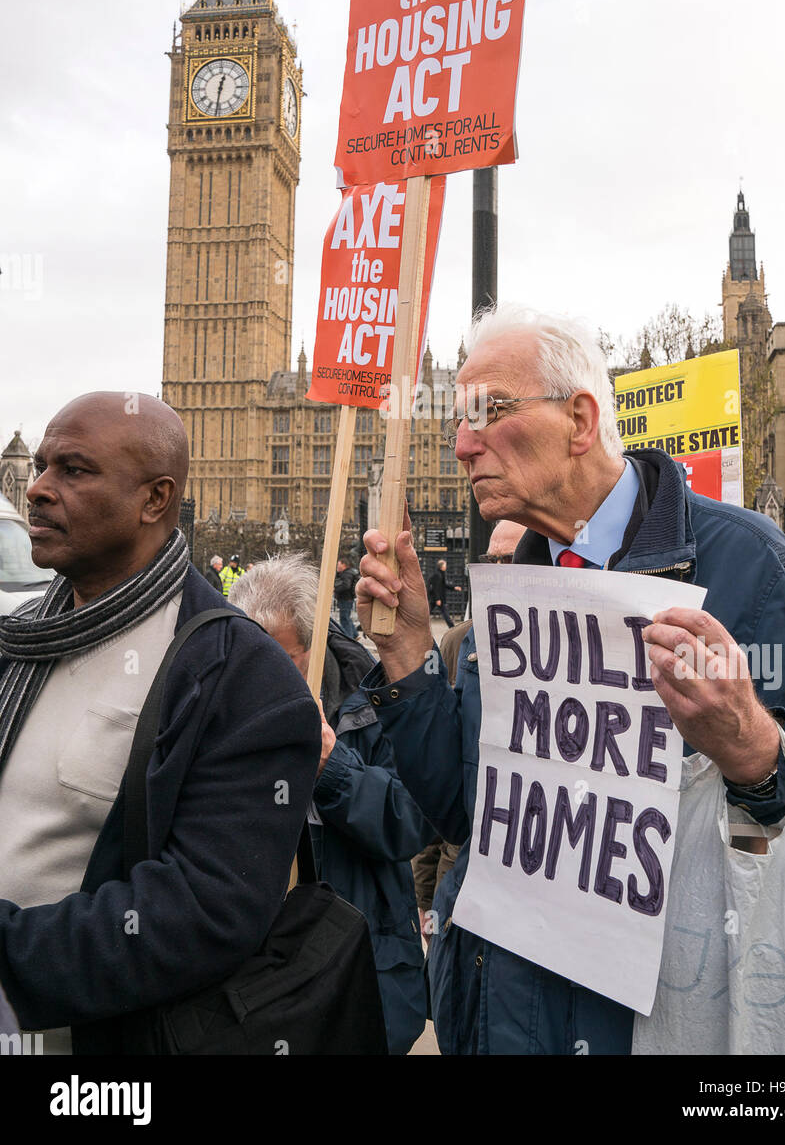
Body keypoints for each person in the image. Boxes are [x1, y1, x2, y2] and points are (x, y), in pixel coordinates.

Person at [357, 304, 785, 1056]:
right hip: (507, 1016)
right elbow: (467, 815)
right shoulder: (511, 593)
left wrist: (752, 749)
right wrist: (406, 662)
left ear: (580, 419)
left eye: (487, 412)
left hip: (657, 1020)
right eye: (457, 421)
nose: (462, 445)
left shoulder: (742, 562)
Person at [0, 392, 320, 1053]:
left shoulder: (243, 679)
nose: (37, 490)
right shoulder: (20, 638)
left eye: (74, 471)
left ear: (155, 499)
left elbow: (203, 913)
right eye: (41, 466)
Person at [229, 552, 433, 1056]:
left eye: (279, 658)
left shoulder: (374, 704)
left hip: (360, 970)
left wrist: (330, 766)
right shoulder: (222, 702)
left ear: (314, 643)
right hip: (257, 981)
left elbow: (412, 820)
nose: (262, 675)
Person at [415, 519, 526, 938]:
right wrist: (426, 896)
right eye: (491, 560)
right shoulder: (459, 645)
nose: (497, 571)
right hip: (460, 871)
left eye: (511, 559)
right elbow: (432, 778)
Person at [427, 558, 460, 630]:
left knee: (429, 612)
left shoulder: (441, 574)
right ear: (441, 566)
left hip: (437, 598)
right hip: (437, 598)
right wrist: (437, 599)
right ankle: (452, 628)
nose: (446, 566)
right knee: (444, 613)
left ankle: (452, 627)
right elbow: (436, 588)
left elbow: (444, 585)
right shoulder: (438, 575)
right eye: (445, 565)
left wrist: (454, 588)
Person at [334, 557, 359, 639]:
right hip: (348, 598)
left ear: (344, 565)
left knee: (344, 618)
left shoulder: (347, 574)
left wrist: (335, 589)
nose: (337, 566)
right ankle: (354, 634)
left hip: (345, 598)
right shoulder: (348, 572)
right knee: (346, 617)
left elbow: (346, 585)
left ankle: (349, 637)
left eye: (338, 564)